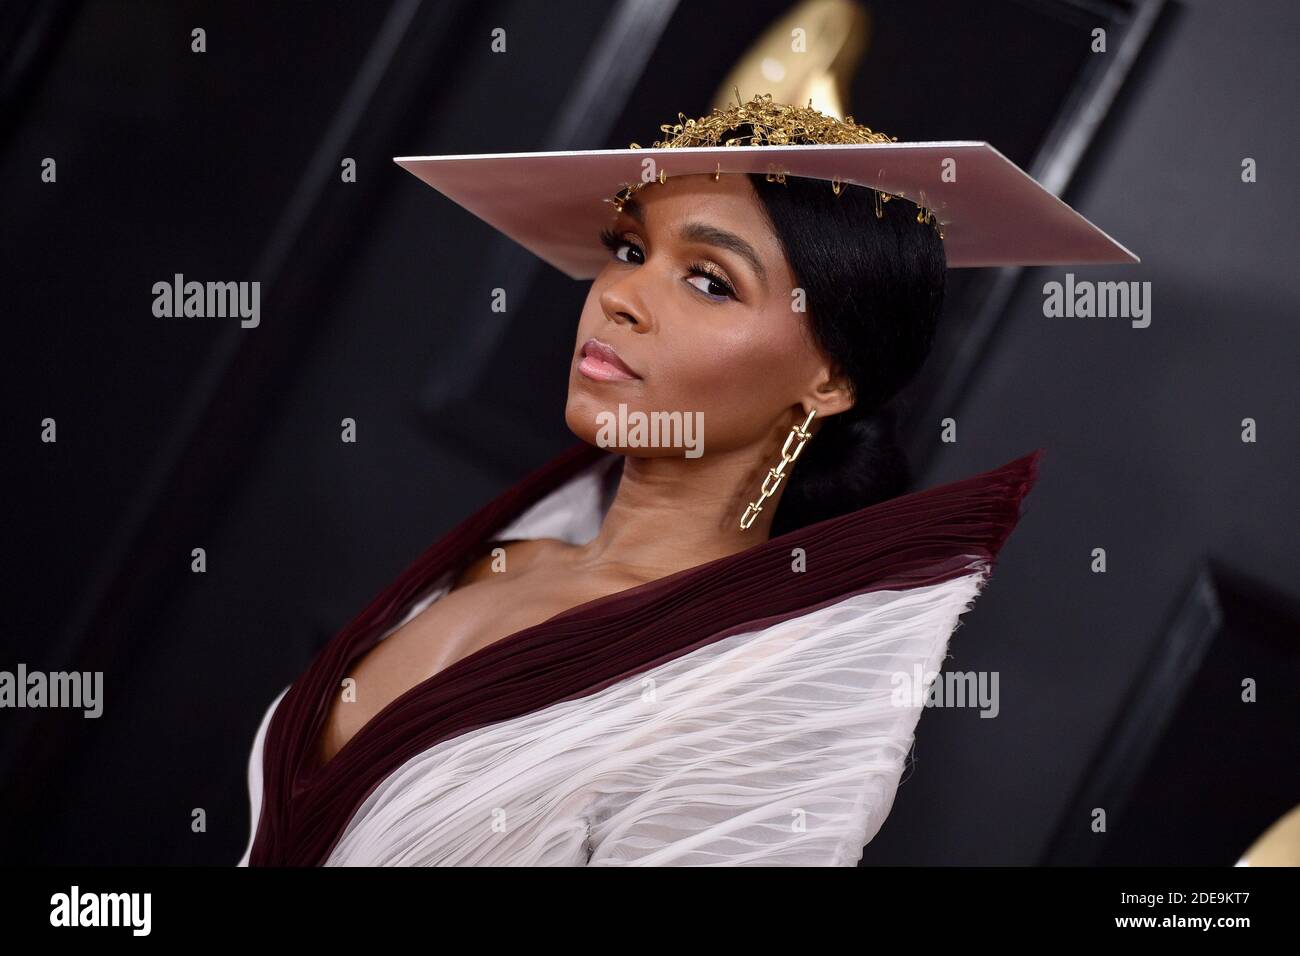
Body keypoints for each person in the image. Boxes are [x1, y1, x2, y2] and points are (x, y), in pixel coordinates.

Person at [237, 93, 1125, 866]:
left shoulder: (761, 705)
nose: (618, 296)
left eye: (708, 280)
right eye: (629, 249)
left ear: (830, 381)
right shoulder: (504, 556)